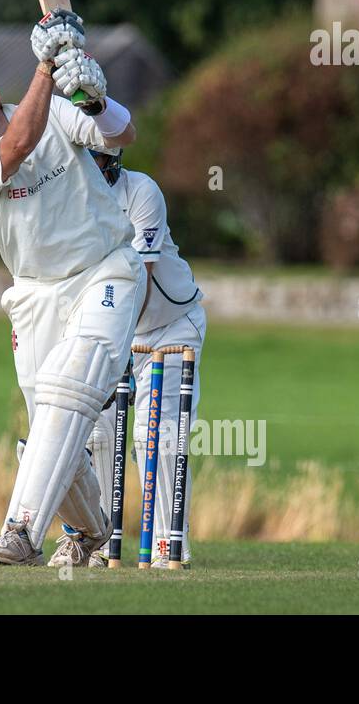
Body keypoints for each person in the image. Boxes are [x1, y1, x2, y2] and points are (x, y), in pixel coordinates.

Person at [0, 8, 145, 566]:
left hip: (106, 270)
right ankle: (90, 531)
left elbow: (122, 133)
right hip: (34, 297)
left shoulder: (55, 109)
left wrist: (96, 101)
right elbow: (18, 145)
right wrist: (49, 65)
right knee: (50, 424)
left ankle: (22, 532)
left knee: (68, 390)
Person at [86, 149, 206, 568]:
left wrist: (119, 351)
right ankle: (99, 541)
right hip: (116, 330)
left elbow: (141, 279)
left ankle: (167, 545)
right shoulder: (71, 198)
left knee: (156, 434)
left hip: (172, 324)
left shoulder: (141, 191)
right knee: (97, 431)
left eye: (93, 157)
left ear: (110, 160)